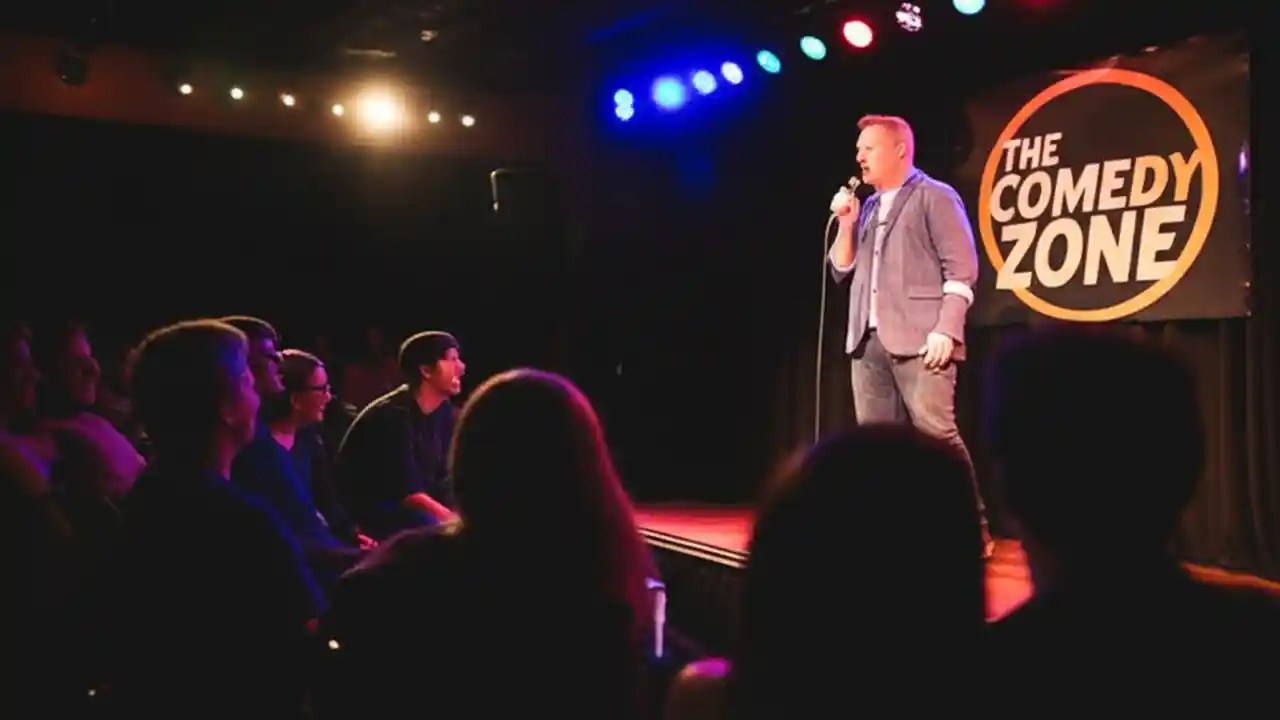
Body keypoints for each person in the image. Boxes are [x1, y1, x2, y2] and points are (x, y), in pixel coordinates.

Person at [827, 114, 991, 556]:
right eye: (859, 148)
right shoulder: (870, 207)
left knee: (937, 434)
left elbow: (962, 269)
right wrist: (847, 221)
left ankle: (972, 532)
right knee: (877, 447)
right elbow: (842, 269)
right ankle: (892, 531)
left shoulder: (935, 196)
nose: (859, 156)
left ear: (900, 149)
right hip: (868, 337)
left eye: (869, 148)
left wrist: (947, 327)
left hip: (922, 338)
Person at [335, 330, 465, 539]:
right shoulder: (392, 417)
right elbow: (409, 494)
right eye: (452, 359)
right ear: (426, 371)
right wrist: (457, 523)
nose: (461, 367)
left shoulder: (443, 413)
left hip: (410, 507)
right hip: (373, 511)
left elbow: (443, 480)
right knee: (436, 530)